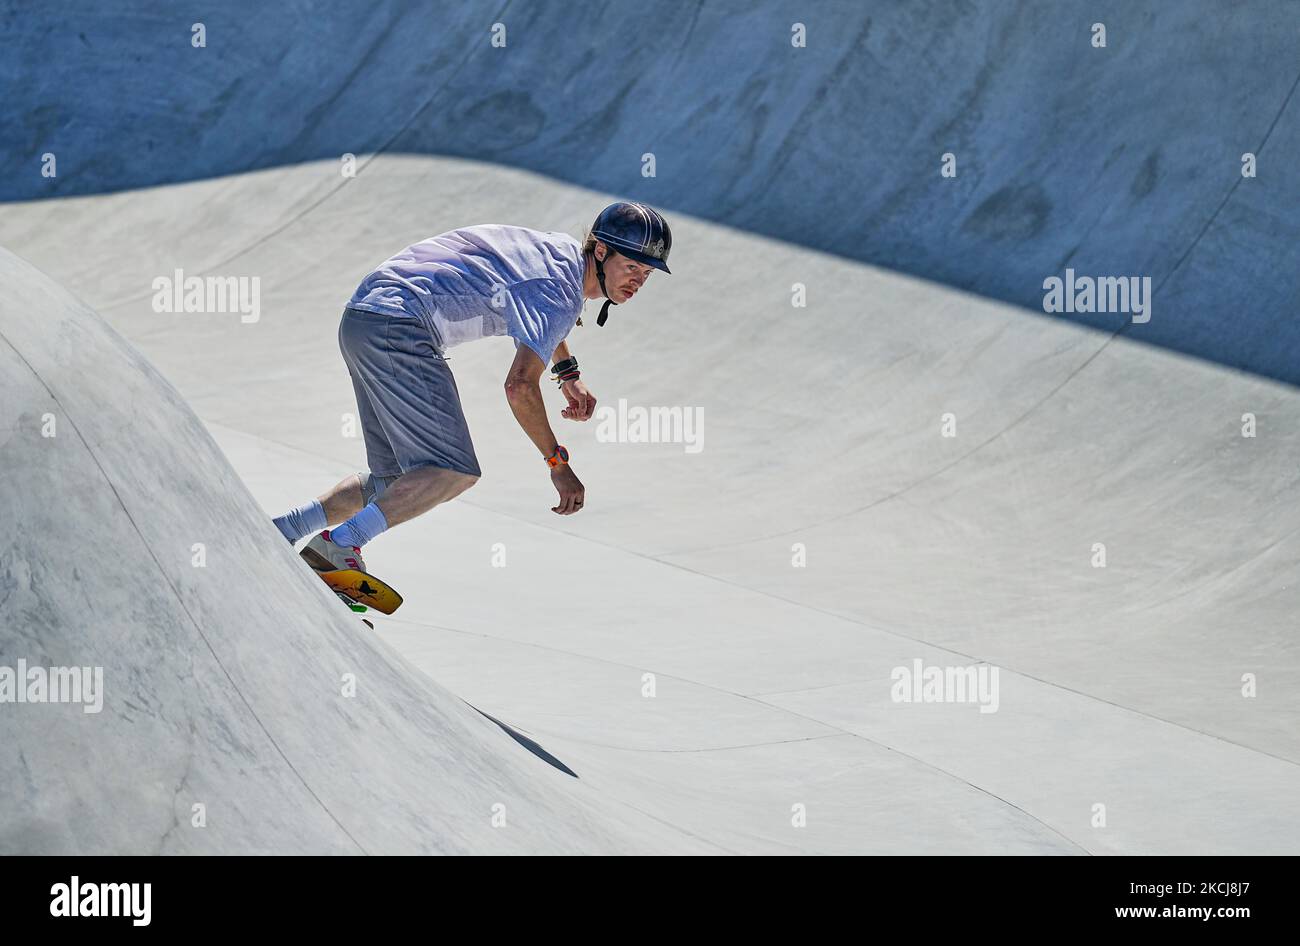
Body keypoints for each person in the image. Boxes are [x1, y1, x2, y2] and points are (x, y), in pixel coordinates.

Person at [272, 201, 673, 573]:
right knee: (450, 470)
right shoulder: (561, 294)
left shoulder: (560, 254)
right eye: (632, 267)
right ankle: (338, 547)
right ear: (601, 252)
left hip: (364, 317)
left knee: (397, 481)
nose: (638, 281)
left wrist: (567, 372)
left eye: (646, 274)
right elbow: (519, 387)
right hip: (400, 327)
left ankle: (281, 531)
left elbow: (541, 316)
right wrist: (558, 465)